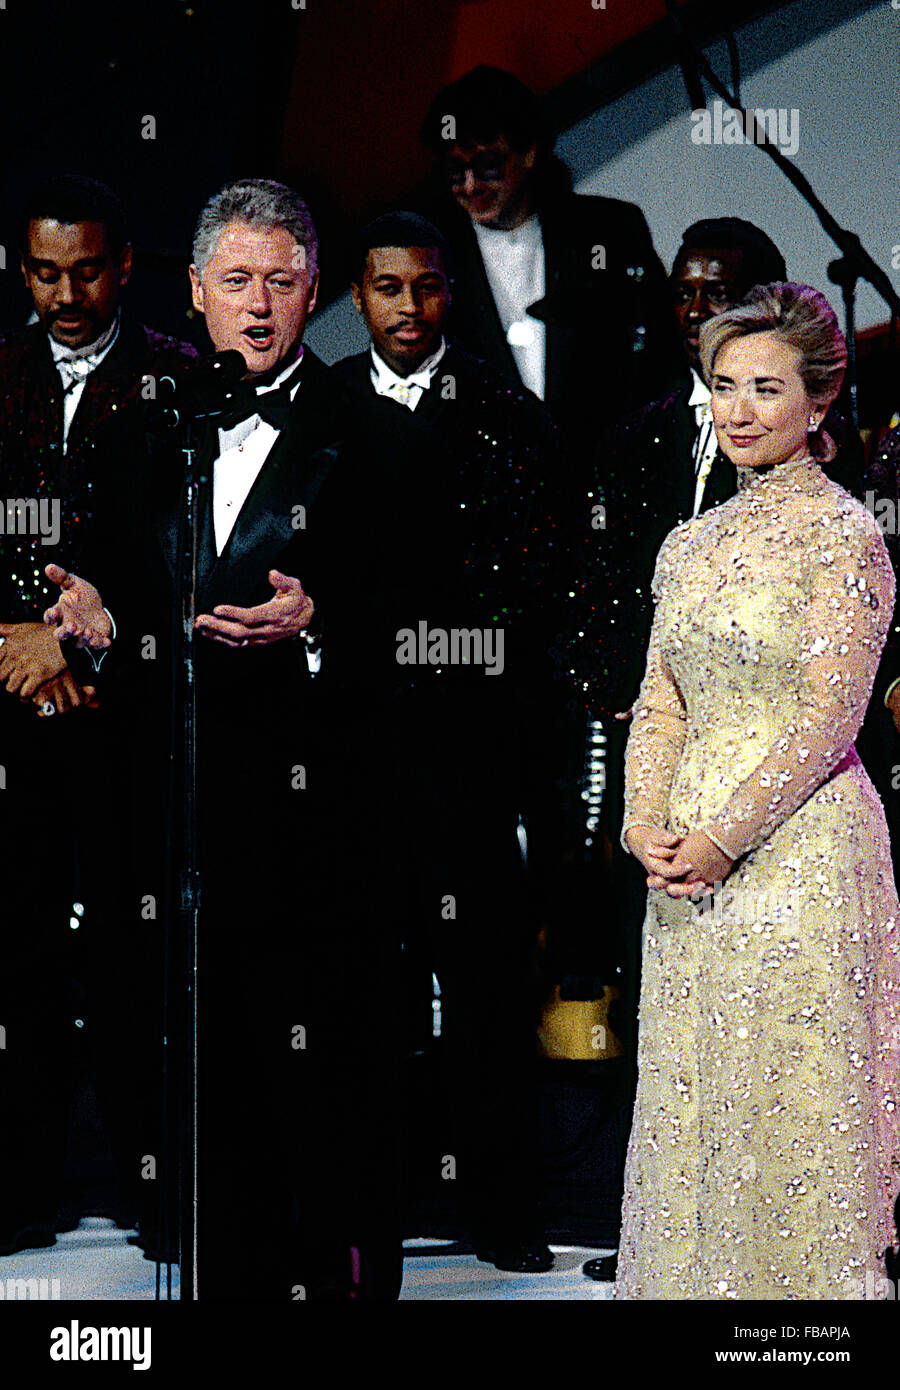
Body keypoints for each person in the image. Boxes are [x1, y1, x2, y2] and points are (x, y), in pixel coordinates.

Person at [44, 177, 468, 1300]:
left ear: (314, 289)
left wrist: (323, 627)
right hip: (184, 848)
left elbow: (445, 636)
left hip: (328, 852)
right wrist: (96, 628)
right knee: (211, 1123)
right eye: (236, 281)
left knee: (328, 1120)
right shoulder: (140, 434)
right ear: (193, 292)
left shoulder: (383, 439)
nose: (261, 305)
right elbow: (129, 610)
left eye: (282, 281)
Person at [617, 282, 900, 1299]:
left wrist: (728, 836)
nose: (738, 410)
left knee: (789, 1101)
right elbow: (659, 702)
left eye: (765, 388)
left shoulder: (845, 537)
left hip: (803, 855)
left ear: (819, 403)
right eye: (723, 385)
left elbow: (832, 716)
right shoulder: (686, 544)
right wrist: (643, 824)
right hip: (684, 869)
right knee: (699, 1101)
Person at [337, 210, 596, 1273]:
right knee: (369, 994)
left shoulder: (504, 411)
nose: (409, 308)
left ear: (453, 293)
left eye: (429, 287)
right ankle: (379, 1204)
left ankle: (503, 1210)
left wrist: (412, 640)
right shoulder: (323, 407)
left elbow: (533, 591)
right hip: (352, 758)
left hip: (475, 756)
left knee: (485, 991)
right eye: (388, 288)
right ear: (354, 295)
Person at [0, 174, 196, 1256]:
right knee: (15, 960)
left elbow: (176, 555)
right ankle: (22, 1186)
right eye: (43, 270)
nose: (65, 292)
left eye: (85, 269)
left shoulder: (178, 380)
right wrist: (18, 647)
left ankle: (155, 1193)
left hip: (132, 724)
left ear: (124, 265)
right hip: (11, 724)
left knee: (139, 965)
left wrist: (77, 644)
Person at [419, 65, 681, 500]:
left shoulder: (610, 230)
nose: (469, 186)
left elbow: (657, 359)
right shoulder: (430, 254)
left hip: (610, 485)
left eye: (487, 166)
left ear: (529, 153)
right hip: (491, 501)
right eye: (454, 171)